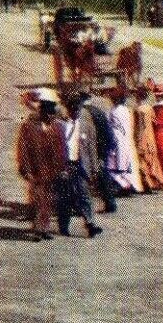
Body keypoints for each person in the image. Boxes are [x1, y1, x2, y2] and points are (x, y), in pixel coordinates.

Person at [15, 88, 66, 239]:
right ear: (42, 111)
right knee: (37, 200)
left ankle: (44, 228)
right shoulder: (28, 126)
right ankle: (38, 229)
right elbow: (23, 150)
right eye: (48, 112)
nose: (50, 115)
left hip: (51, 170)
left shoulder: (56, 127)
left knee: (48, 200)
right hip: (35, 170)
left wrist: (61, 168)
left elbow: (61, 149)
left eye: (52, 112)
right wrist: (26, 170)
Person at [58, 93, 104, 237]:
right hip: (65, 166)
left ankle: (90, 224)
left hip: (81, 166)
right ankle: (63, 226)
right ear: (68, 109)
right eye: (73, 109)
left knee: (84, 195)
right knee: (65, 197)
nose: (76, 112)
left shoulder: (86, 125)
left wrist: (94, 168)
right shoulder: (61, 125)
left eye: (78, 109)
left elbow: (92, 147)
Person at [77, 89, 118, 214]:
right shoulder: (97, 110)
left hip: (98, 146)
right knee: (102, 173)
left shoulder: (85, 113)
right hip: (105, 144)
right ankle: (109, 202)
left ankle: (108, 203)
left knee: (99, 174)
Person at [104, 86, 145, 196]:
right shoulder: (126, 110)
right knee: (125, 166)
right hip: (126, 140)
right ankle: (129, 185)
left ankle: (124, 185)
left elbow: (113, 128)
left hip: (117, 140)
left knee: (113, 167)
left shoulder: (114, 111)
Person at [132, 85, 163, 190]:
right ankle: (155, 181)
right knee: (151, 158)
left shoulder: (138, 110)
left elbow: (139, 126)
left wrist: (137, 138)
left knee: (143, 159)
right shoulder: (149, 108)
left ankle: (147, 183)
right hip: (150, 136)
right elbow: (154, 121)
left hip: (142, 136)